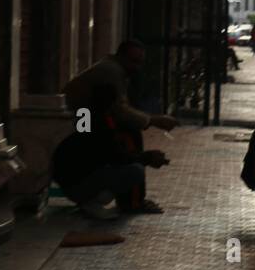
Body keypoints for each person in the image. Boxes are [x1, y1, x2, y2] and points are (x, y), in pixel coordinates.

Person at [63, 39, 177, 213]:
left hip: (80, 122)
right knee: (131, 153)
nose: (137, 67)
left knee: (124, 144)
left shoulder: (111, 72)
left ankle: (130, 201)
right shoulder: (111, 73)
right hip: (80, 172)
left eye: (140, 62)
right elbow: (120, 118)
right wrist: (147, 152)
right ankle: (131, 202)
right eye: (133, 61)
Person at [53, 85, 169, 220]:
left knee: (124, 165)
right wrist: (146, 158)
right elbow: (115, 156)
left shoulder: (85, 113)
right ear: (111, 103)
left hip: (68, 182)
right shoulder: (101, 123)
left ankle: (90, 199)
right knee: (135, 171)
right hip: (77, 183)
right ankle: (91, 201)